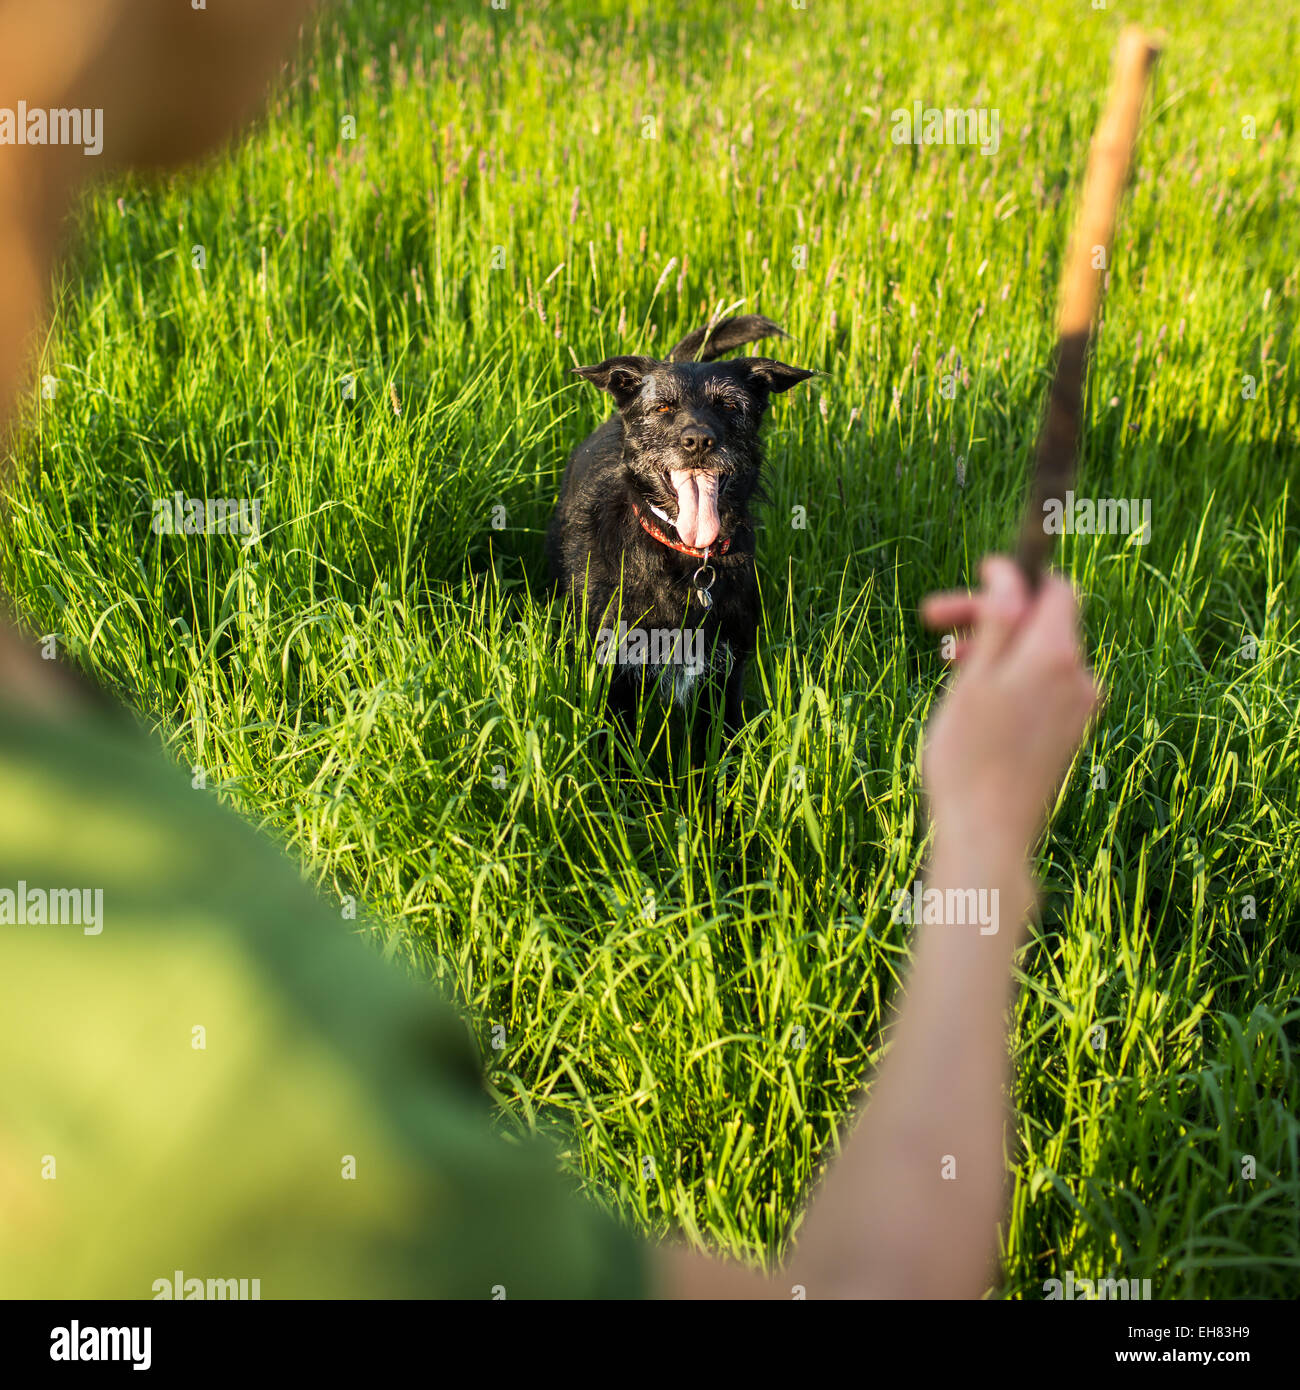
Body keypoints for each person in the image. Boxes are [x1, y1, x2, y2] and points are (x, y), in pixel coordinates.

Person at [0, 0, 1099, 1299]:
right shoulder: (249, 1106)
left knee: (722, 681)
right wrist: (982, 833)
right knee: (627, 684)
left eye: (724, 419)